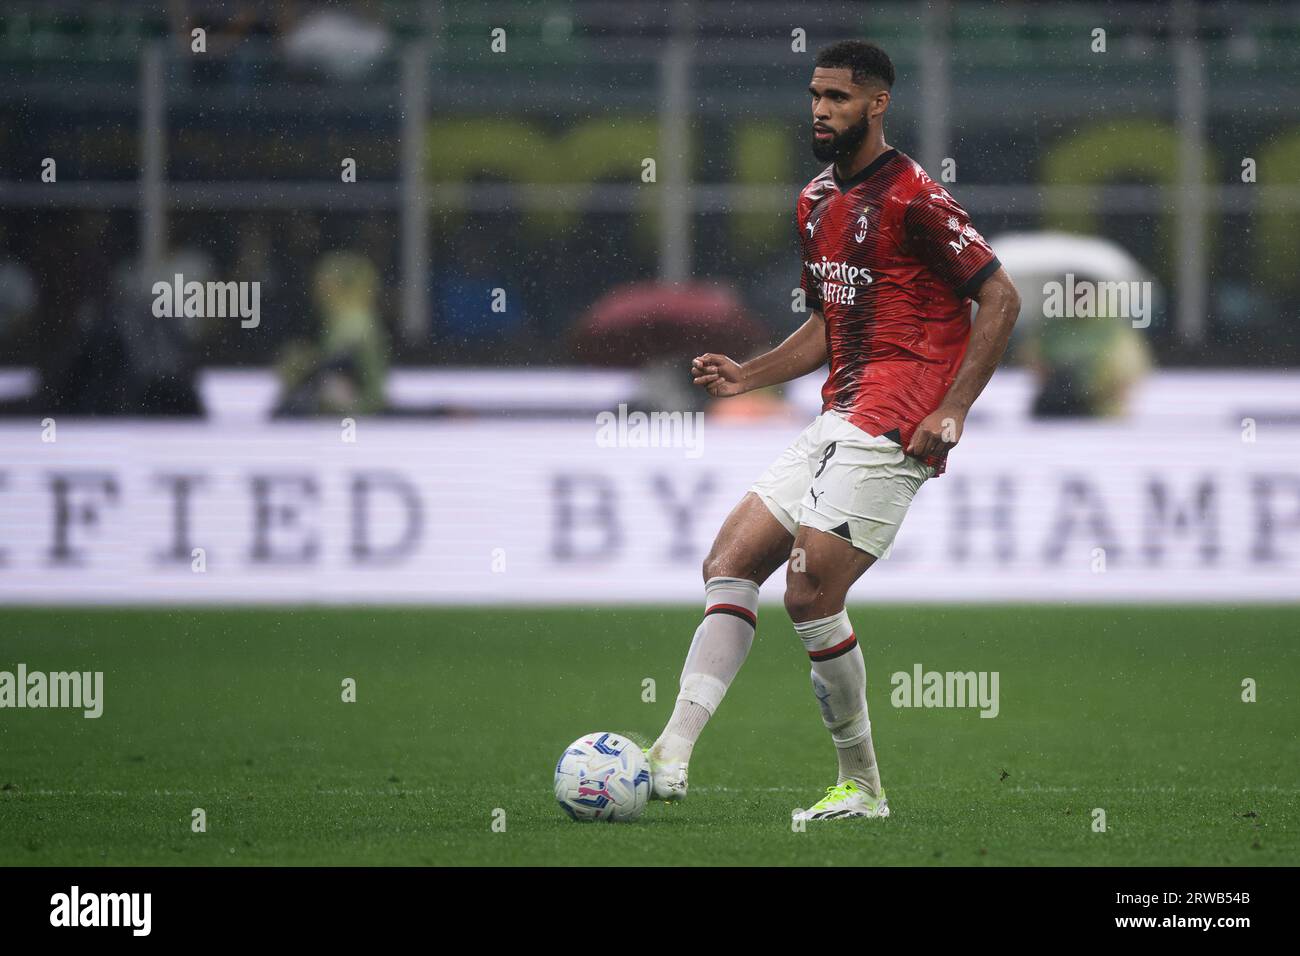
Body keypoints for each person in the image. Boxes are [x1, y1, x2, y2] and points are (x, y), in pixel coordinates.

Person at [646, 40, 1021, 821]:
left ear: (877, 103)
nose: (821, 110)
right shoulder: (814, 201)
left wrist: (953, 407)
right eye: (816, 95)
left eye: (839, 98)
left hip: (898, 419)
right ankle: (669, 753)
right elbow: (827, 320)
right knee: (730, 559)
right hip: (838, 411)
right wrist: (747, 374)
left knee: (811, 590)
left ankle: (864, 788)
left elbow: (1002, 299)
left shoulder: (917, 196)